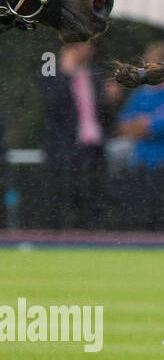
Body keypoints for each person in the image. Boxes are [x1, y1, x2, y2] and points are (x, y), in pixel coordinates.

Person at [36, 41, 116, 229]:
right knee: (61, 200)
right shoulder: (51, 72)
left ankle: (91, 239)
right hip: (64, 148)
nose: (91, 50)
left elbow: (105, 118)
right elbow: (54, 107)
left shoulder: (95, 76)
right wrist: (66, 73)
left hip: (93, 147)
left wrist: (110, 100)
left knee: (93, 200)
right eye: (86, 45)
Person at [116, 41, 164, 230]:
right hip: (142, 167)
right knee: (141, 220)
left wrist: (142, 125)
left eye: (151, 63)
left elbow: (151, 128)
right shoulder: (142, 95)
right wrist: (140, 125)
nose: (146, 68)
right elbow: (122, 128)